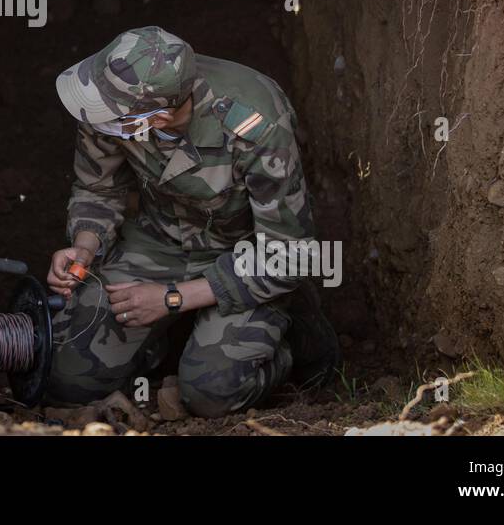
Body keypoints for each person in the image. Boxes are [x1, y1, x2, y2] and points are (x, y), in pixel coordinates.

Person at [45, 26, 340, 417]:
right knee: (70, 379)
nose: (97, 119)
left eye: (111, 115)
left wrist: (171, 299)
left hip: (244, 257)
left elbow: (289, 255)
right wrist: (84, 245)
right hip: (159, 241)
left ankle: (290, 341)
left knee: (210, 393)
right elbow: (98, 190)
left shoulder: (256, 120)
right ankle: (162, 346)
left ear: (162, 116)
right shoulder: (110, 102)